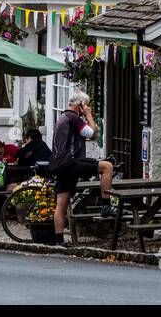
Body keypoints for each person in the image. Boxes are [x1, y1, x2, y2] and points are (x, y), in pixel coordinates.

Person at [46, 90, 114, 246]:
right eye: (86, 104)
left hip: (58, 164)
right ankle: (106, 206)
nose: (87, 107)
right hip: (71, 162)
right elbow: (93, 134)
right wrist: (88, 114)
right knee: (107, 167)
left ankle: (59, 241)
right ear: (81, 104)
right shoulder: (73, 117)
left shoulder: (62, 117)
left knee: (61, 203)